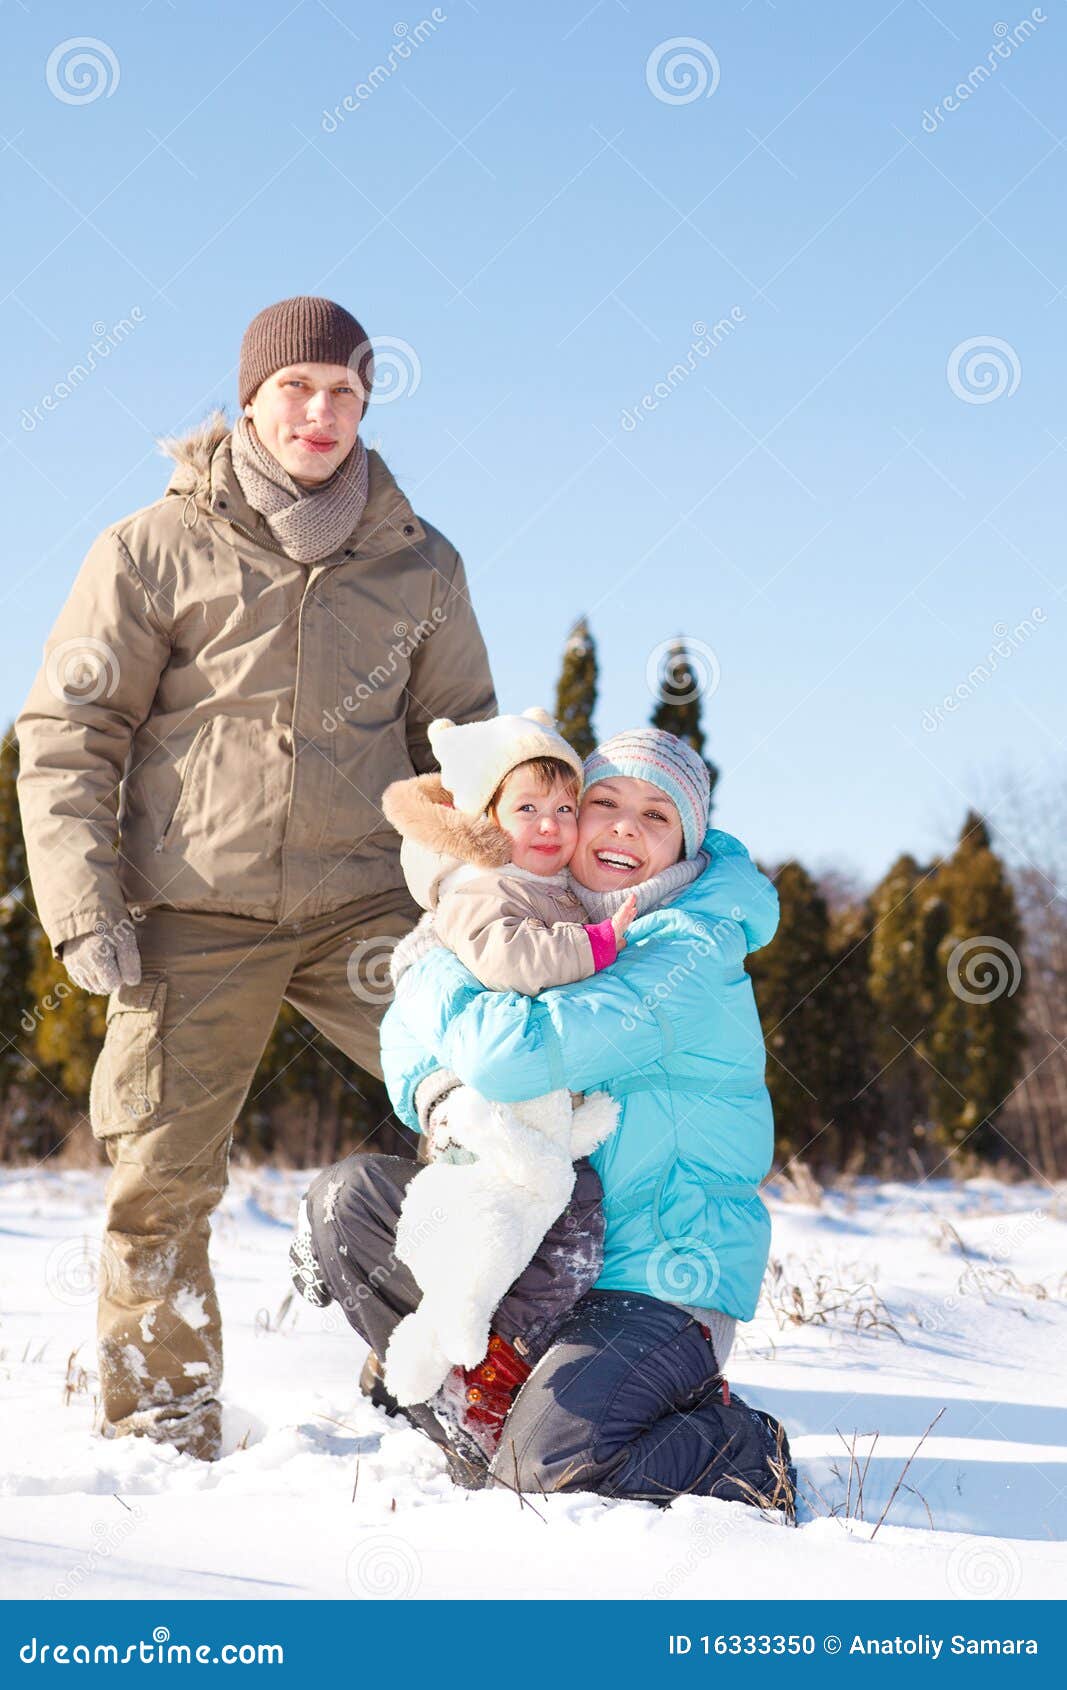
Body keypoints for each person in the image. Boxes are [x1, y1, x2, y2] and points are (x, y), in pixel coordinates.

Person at [15, 295, 496, 1461]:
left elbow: (467, 747)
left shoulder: (417, 563)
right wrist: (84, 905)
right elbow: (72, 728)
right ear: (248, 402)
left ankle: (456, 1368)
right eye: (298, 389)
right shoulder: (151, 547)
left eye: (344, 393)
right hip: (193, 914)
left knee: (490, 1112)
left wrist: (499, 920)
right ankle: (162, 1426)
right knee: (160, 1178)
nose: (321, 412)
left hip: (367, 907)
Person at [303, 729, 793, 1505]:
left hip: (654, 1283)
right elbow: (401, 1036)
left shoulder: (685, 951)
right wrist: (443, 1094)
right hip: (531, 1251)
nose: (626, 826)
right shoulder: (537, 910)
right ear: (567, 818)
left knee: (548, 1471)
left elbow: (509, 1056)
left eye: (657, 815)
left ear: (686, 843)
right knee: (351, 1197)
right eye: (605, 803)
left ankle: (740, 1447)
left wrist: (429, 963)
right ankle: (474, 1418)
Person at [366, 706, 635, 1409]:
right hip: (489, 1118)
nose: (550, 825)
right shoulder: (475, 889)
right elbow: (510, 960)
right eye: (527, 809)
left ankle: (483, 1356)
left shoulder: (549, 890)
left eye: (564, 807)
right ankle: (472, 1357)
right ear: (485, 818)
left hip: (535, 1114)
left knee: (543, 1222)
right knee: (510, 1226)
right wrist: (596, 948)